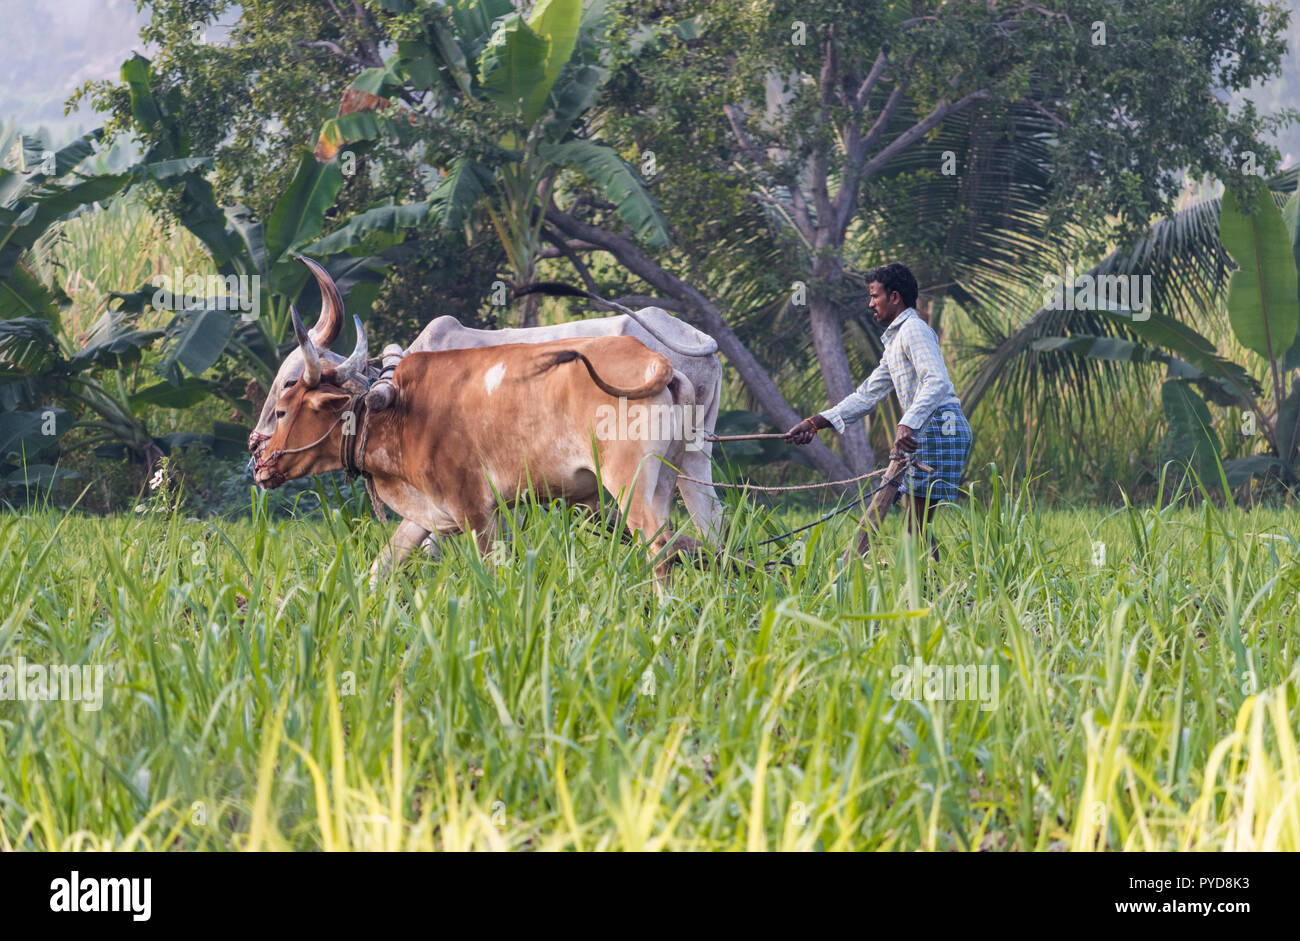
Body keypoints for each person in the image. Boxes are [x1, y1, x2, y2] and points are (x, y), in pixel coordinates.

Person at [784, 262, 972, 559]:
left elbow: (935, 380)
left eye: (874, 296)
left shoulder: (914, 331)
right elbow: (866, 396)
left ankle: (926, 590)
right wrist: (815, 422)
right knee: (917, 523)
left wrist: (907, 424)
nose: (870, 304)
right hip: (926, 429)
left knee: (915, 524)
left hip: (938, 428)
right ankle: (932, 587)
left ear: (894, 297)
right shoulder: (897, 341)